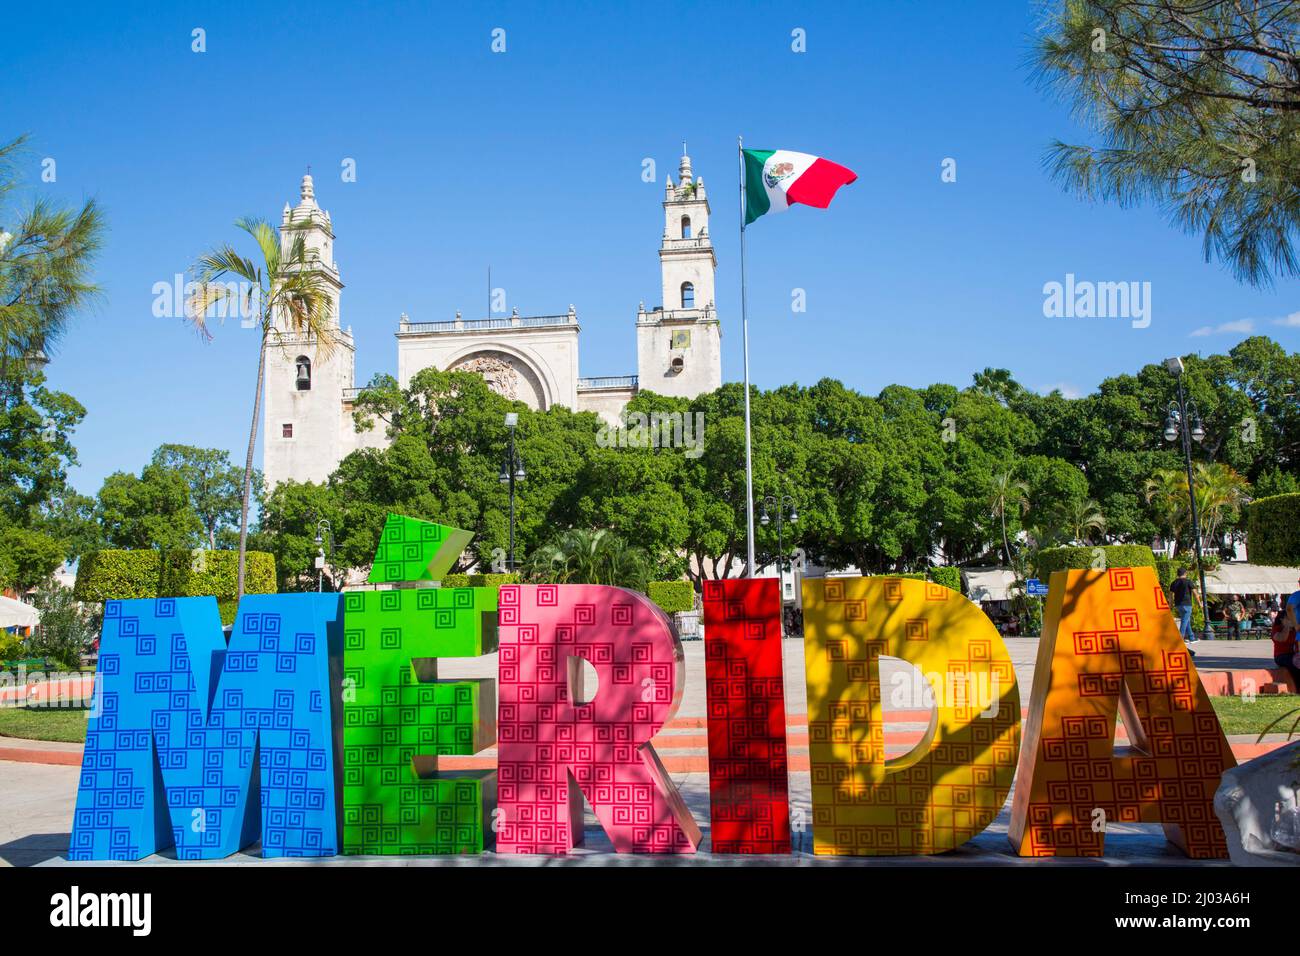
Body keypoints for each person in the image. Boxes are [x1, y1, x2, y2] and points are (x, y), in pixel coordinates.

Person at [1272, 607, 1300, 692]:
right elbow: (1282, 638)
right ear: (1282, 619)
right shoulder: (1276, 629)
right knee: (1296, 664)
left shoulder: (1296, 630)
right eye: (1289, 618)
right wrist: (1287, 626)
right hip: (1281, 656)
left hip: (1294, 655)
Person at [1171, 568, 1197, 644]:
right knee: (1184, 621)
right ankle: (1180, 638)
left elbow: (1171, 595)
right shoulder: (1188, 582)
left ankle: (1191, 637)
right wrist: (1200, 603)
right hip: (1187, 604)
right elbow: (1195, 593)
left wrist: (1171, 605)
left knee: (1186, 620)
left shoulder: (1174, 583)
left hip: (1178, 604)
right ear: (1185, 573)